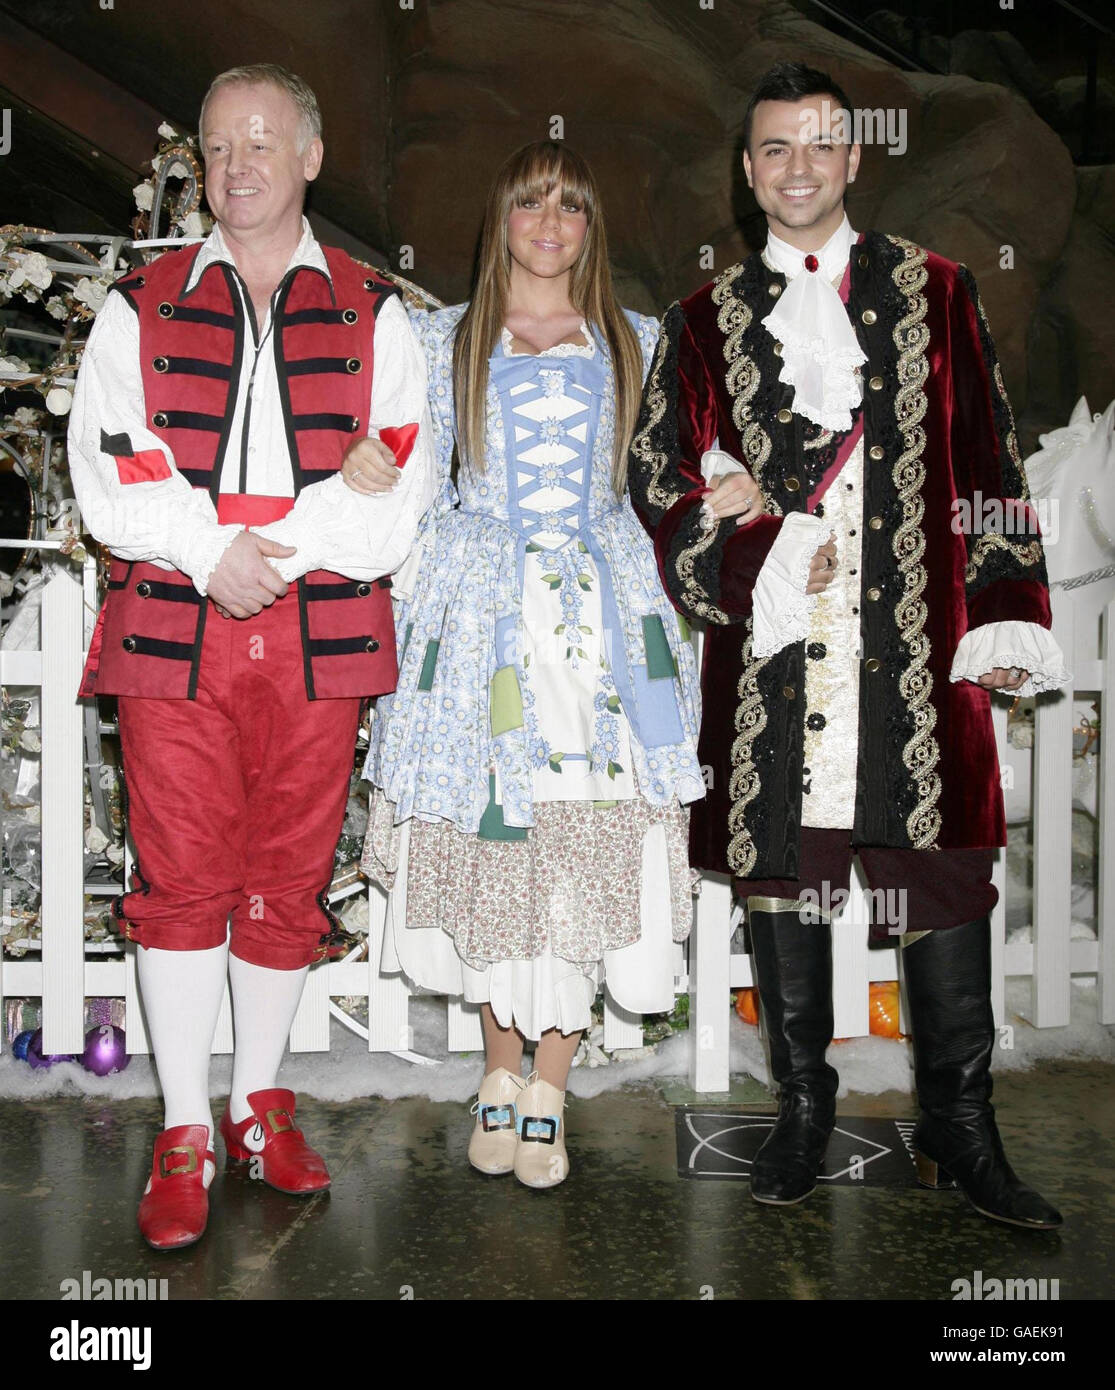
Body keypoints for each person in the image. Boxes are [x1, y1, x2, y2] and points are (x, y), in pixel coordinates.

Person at [627, 61, 1068, 1228]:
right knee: (782, 881)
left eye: (817, 145)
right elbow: (655, 478)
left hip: (918, 658)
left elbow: (989, 467)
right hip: (779, 652)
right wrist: (742, 552)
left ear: (853, 153)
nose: (796, 169)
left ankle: (960, 1129)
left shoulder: (937, 292)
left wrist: (1008, 604)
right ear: (746, 169)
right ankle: (801, 1114)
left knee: (938, 878)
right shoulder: (699, 322)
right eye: (772, 150)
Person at [342, 140, 757, 1188]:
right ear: (502, 218)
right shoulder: (440, 339)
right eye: (529, 200)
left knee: (585, 840)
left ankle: (549, 1087)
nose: (548, 221)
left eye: (569, 205)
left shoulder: (642, 341)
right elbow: (393, 458)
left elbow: (692, 449)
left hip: (601, 622)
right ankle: (494, 1068)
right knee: (498, 839)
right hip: (479, 613)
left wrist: (727, 475)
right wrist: (363, 458)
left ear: (590, 228)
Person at [68, 63, 434, 1249]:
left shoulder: (381, 313)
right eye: (220, 146)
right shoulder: (139, 301)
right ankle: (181, 1126)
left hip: (319, 625)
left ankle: (257, 1105)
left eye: (263, 142)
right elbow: (110, 463)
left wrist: (265, 547)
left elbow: (398, 487)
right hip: (175, 618)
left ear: (312, 158)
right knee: (180, 875)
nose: (237, 167)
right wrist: (208, 546)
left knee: (287, 870)